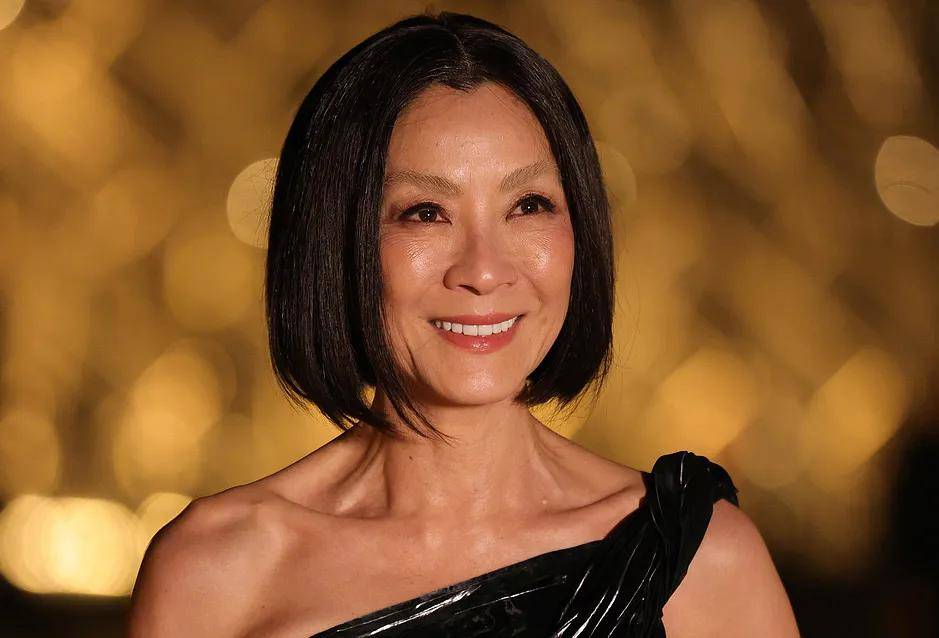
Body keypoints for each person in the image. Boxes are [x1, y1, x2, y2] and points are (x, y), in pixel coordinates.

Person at [127, 10, 800, 637]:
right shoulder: (217, 571)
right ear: (336, 242)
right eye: (425, 213)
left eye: (528, 205)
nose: (483, 270)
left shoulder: (698, 559)